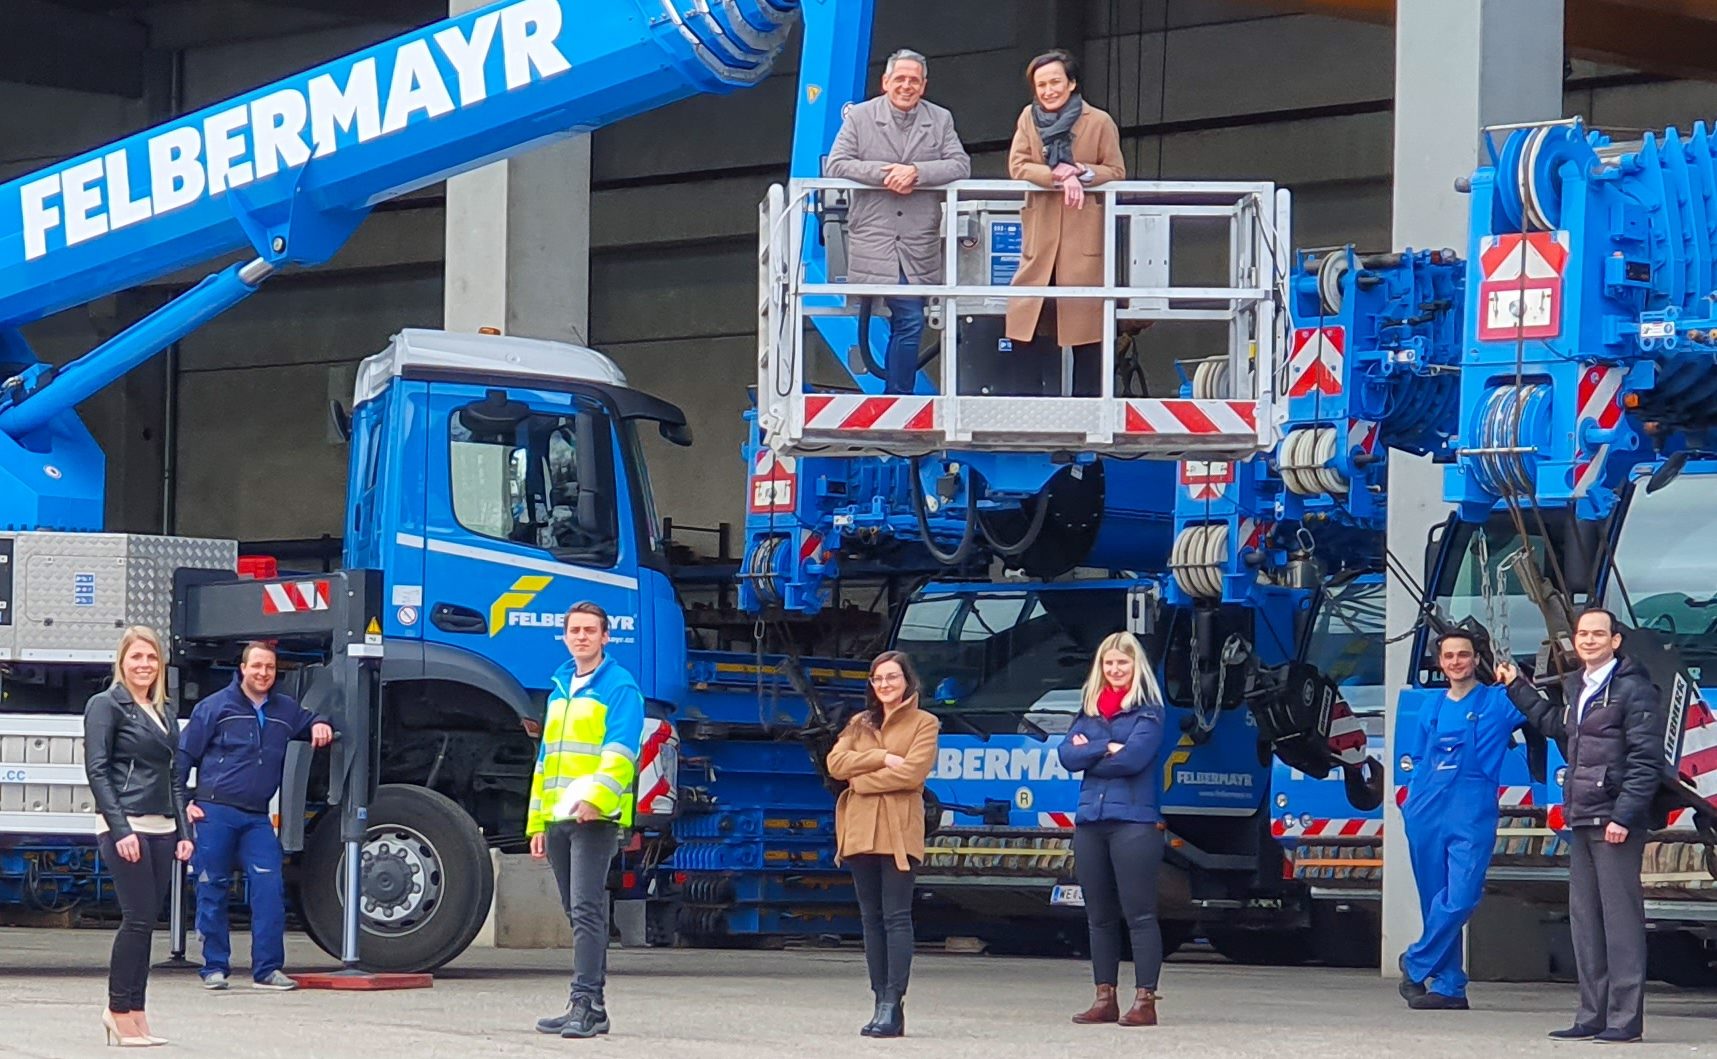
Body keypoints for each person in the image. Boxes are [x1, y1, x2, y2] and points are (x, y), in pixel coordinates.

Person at [1498, 608, 1665, 1044]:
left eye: (1598, 634)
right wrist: (1517, 686)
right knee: (1586, 921)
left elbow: (1646, 762)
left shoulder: (1634, 690)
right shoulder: (1578, 687)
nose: (1589, 640)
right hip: (1582, 816)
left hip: (1613, 821)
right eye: (1582, 634)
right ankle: (1591, 1014)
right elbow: (1556, 726)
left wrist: (1624, 816)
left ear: (1615, 642)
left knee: (1621, 922)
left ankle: (1624, 1019)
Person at [176, 641, 333, 991]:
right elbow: (182, 757)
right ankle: (214, 968)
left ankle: (267, 970)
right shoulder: (214, 707)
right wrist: (185, 801)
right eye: (257, 666)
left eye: (270, 668)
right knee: (211, 886)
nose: (263, 673)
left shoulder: (285, 710)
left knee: (269, 887)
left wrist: (320, 724)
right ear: (242, 668)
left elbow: (311, 721)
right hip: (214, 811)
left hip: (257, 817)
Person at [528, 601, 646, 1040]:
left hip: (594, 817)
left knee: (587, 909)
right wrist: (537, 822)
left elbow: (621, 751)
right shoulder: (561, 687)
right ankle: (586, 1003)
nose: (581, 636)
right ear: (564, 636)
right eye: (574, 629)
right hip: (558, 816)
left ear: (605, 637)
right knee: (575, 913)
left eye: (590, 630)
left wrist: (597, 799)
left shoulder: (619, 687)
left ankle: (587, 1002)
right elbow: (546, 761)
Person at [824, 48, 971, 394]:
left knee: (909, 319)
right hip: (875, 235)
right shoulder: (860, 117)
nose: (907, 86)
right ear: (885, 82)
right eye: (900, 79)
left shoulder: (940, 119)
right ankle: (897, 395)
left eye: (914, 80)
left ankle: (898, 394)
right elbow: (837, 164)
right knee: (901, 317)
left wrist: (917, 173)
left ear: (924, 85)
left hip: (919, 237)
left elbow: (959, 165)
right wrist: (884, 174)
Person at [1397, 630, 1523, 1011]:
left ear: (1476, 659)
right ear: (1440, 662)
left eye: (1463, 655)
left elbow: (1539, 704)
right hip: (1426, 808)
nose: (1456, 662)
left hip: (1471, 810)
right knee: (1433, 896)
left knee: (1462, 895)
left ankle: (1417, 960)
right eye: (1449, 656)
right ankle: (1449, 985)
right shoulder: (1431, 707)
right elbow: (1418, 759)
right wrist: (1412, 802)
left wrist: (1517, 679)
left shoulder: (1499, 701)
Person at [84, 626, 194, 1048]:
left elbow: (175, 777)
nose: (144, 665)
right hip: (126, 825)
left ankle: (137, 1011)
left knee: (148, 923)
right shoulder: (106, 705)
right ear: (122, 661)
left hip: (163, 827)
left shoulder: (164, 711)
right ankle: (116, 1009)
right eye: (137, 658)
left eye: (151, 658)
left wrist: (184, 831)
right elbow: (98, 770)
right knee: (136, 918)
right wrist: (120, 827)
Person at [826, 650, 941, 1039]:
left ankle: (894, 1001)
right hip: (859, 831)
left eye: (892, 677)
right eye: (878, 679)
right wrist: (880, 757)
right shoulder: (860, 722)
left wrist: (862, 780)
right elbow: (836, 764)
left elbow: (912, 774)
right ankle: (878, 999)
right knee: (870, 919)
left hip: (897, 832)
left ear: (907, 681)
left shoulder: (925, 723)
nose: (885, 685)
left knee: (896, 917)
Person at [1056, 631, 1167, 1028]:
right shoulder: (1086, 713)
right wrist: (1105, 747)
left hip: (1134, 823)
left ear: (1136, 667)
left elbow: (1133, 760)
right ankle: (1104, 997)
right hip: (1091, 822)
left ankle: (1145, 999)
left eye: (1122, 662)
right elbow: (1066, 755)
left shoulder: (1149, 713)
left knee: (1139, 914)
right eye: (1108, 663)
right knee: (1098, 915)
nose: (1115, 669)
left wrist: (1092, 750)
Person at [1005, 49, 1126, 397]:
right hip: (1041, 240)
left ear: (1071, 83)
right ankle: (1027, 414)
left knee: (1086, 333)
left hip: (1082, 239)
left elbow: (1116, 171)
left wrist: (1083, 173)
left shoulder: (1098, 121)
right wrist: (1057, 175)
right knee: (1029, 327)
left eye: (1054, 81)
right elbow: (1019, 166)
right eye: (1041, 84)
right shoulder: (1028, 119)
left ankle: (1087, 418)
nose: (1048, 90)